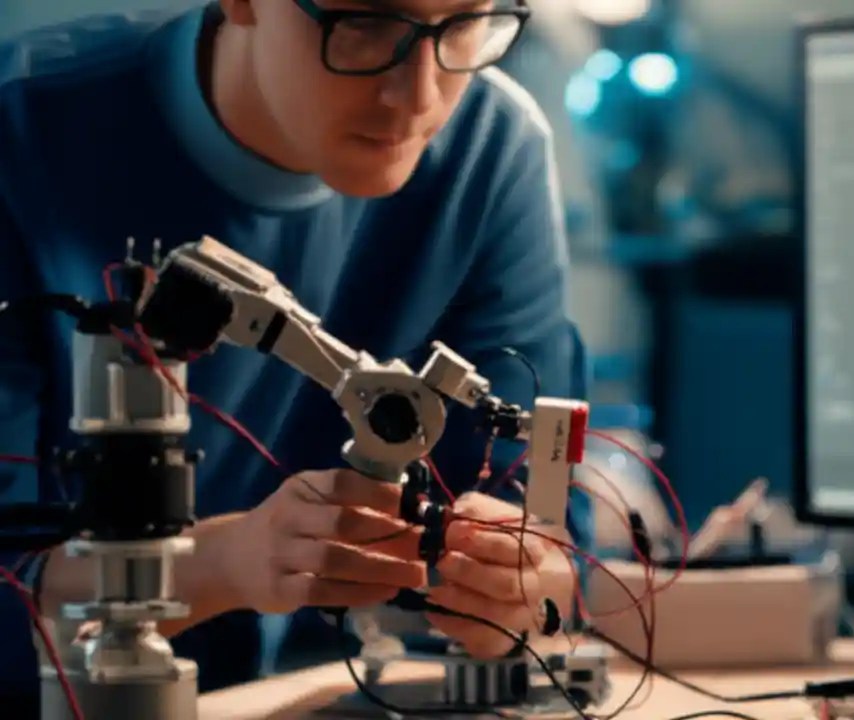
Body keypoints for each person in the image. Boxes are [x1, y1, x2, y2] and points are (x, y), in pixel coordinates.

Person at [0, 0, 591, 702]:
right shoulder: (22, 132)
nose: (420, 97)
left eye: (465, 22)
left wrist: (515, 594)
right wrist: (221, 564)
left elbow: (545, 538)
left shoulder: (491, 149)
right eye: (366, 22)